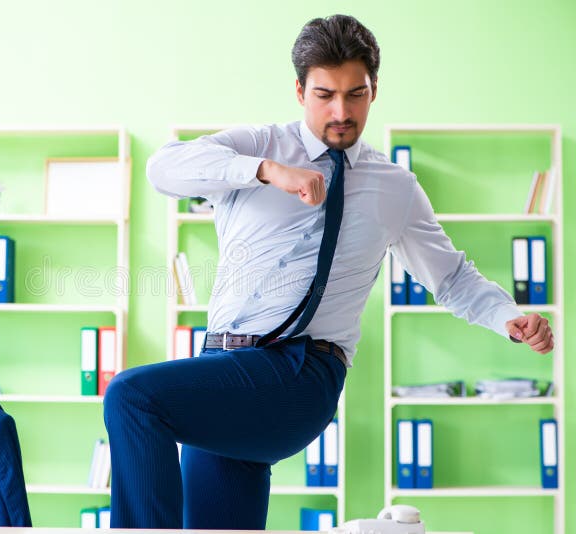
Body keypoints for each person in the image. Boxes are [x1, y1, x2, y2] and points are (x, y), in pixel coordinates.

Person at [103, 13, 554, 530]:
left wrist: (507, 316)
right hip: (223, 368)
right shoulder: (259, 148)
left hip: (302, 372)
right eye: (325, 95)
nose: (341, 111)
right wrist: (265, 171)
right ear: (299, 91)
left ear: (374, 90)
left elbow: (451, 277)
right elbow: (164, 168)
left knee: (131, 396)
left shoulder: (394, 186)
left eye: (355, 94)